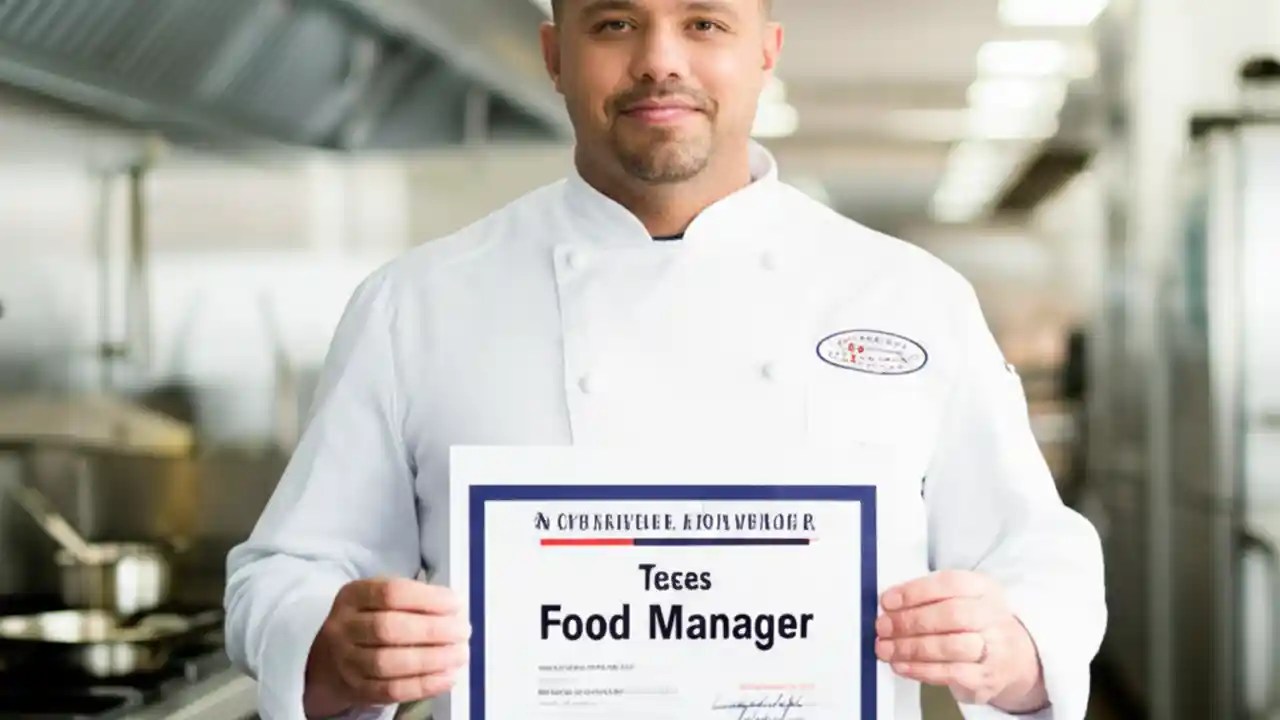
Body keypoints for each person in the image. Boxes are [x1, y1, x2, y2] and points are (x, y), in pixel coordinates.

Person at [223, 0, 1107, 718]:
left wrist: (1009, 644)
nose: (658, 59)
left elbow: (1041, 559)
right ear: (554, 54)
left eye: (704, 23)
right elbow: (282, 574)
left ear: (766, 50)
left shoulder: (908, 298)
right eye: (613, 23)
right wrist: (329, 645)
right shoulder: (415, 304)